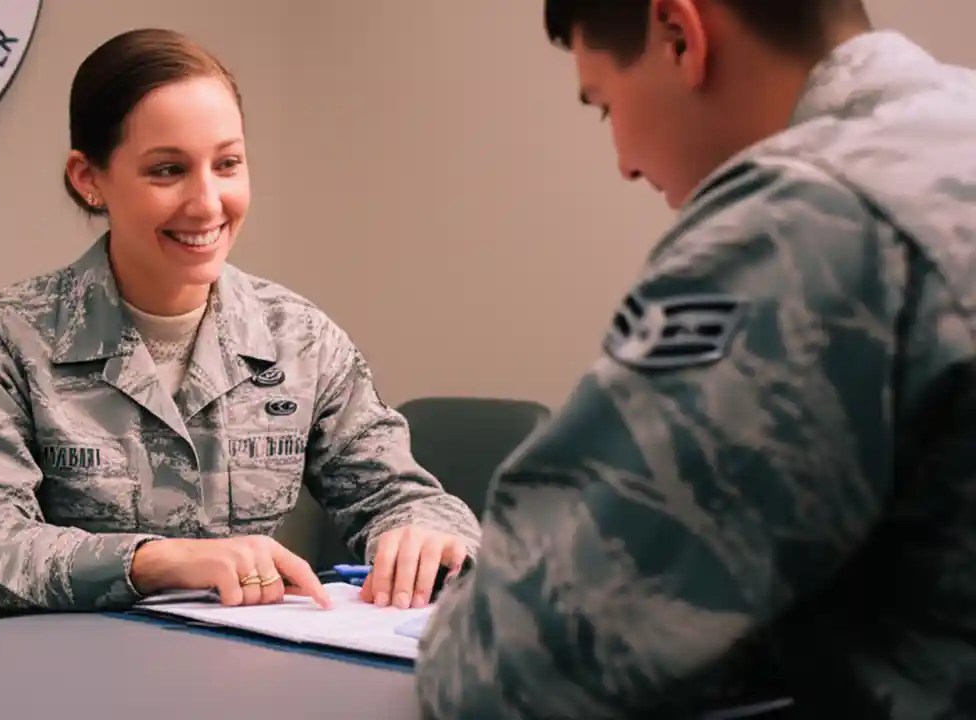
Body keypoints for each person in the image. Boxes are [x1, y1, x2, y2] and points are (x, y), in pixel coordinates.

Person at [416, 1, 976, 718]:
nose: (622, 163)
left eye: (603, 104)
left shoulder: (806, 218)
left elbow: (515, 663)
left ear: (679, 34)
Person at [0, 28, 480, 613]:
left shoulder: (300, 339)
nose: (208, 202)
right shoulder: (9, 339)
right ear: (89, 179)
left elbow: (401, 495)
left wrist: (423, 534)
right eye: (167, 170)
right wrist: (156, 561)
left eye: (228, 163)